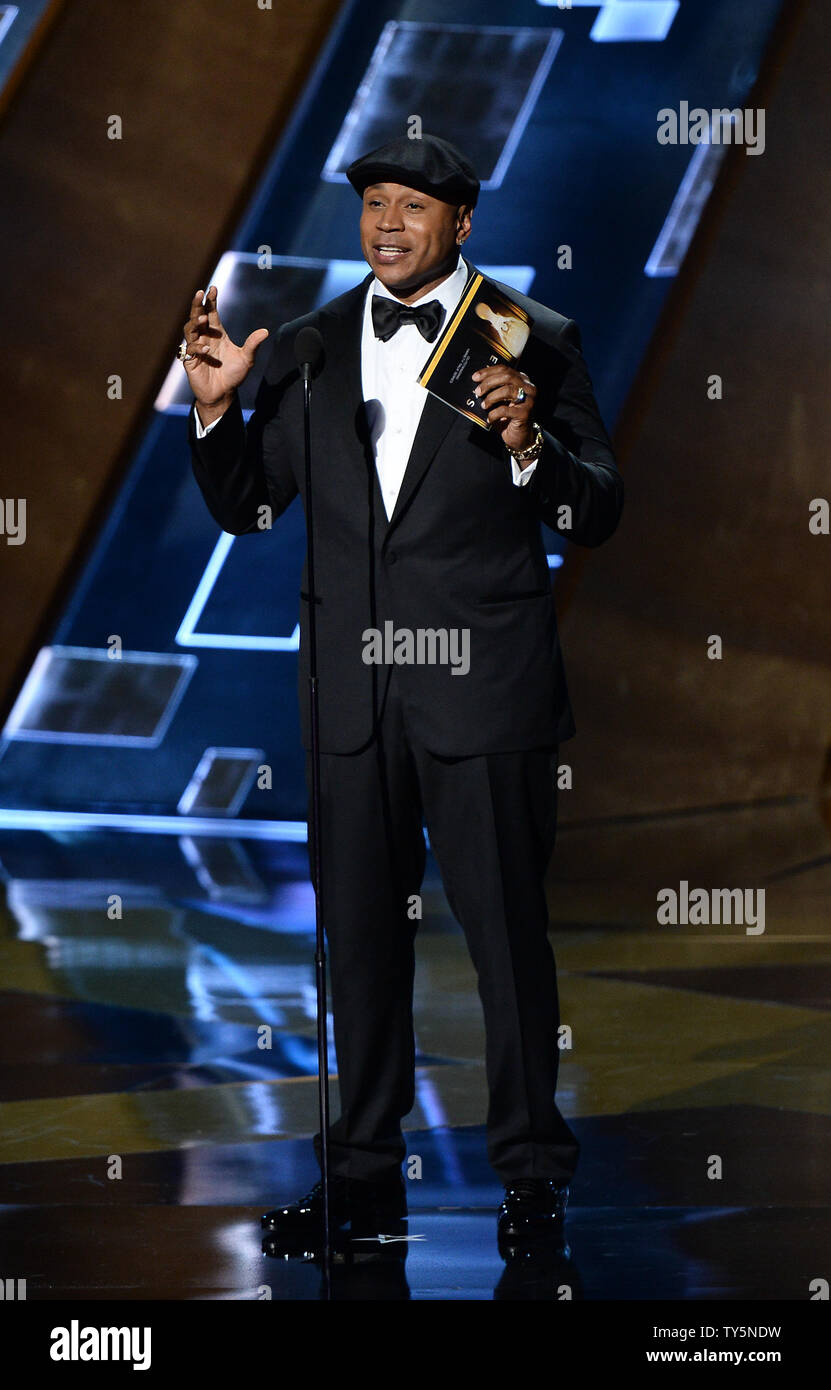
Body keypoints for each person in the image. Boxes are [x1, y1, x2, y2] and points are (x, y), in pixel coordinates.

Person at [183, 133, 623, 1259]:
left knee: (507, 942)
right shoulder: (314, 348)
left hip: (486, 694)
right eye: (373, 202)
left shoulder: (533, 342)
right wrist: (220, 414)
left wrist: (530, 445)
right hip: (351, 700)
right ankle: (362, 1181)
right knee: (360, 942)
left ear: (462, 222)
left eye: (411, 206)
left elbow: (597, 509)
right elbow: (248, 510)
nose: (386, 222)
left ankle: (531, 1178)